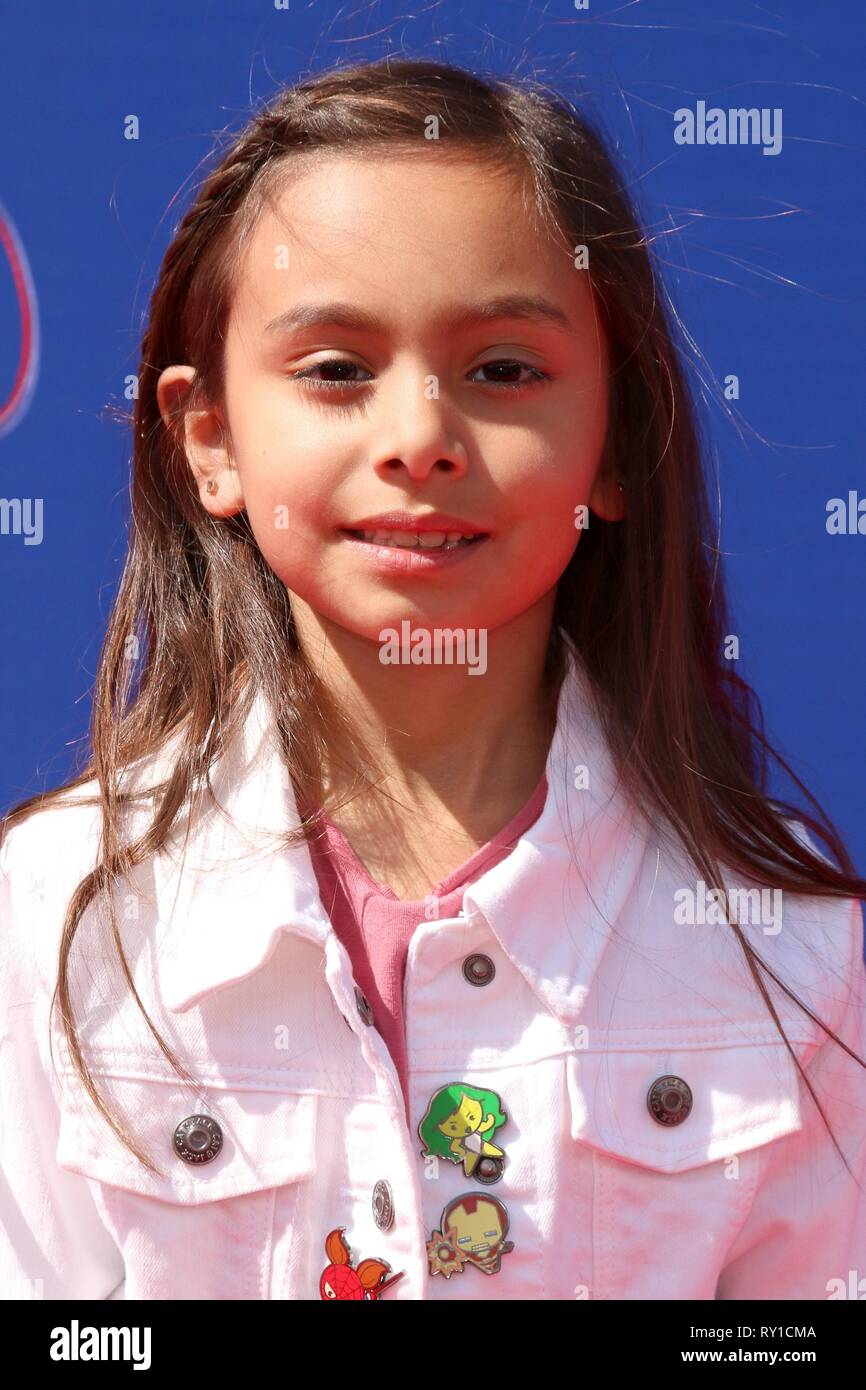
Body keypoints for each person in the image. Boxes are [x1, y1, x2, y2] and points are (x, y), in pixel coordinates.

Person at [1, 57, 864, 1302]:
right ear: (211, 441)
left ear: (613, 441)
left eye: (502, 370)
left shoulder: (792, 946)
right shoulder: (57, 915)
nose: (418, 437)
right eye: (336, 370)